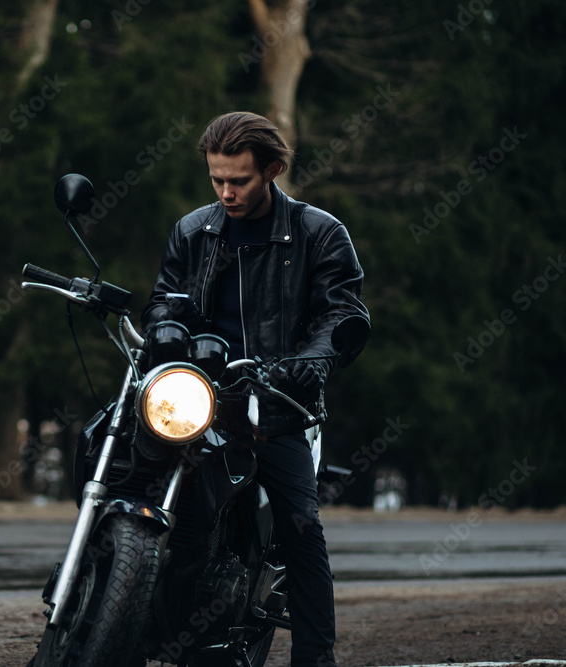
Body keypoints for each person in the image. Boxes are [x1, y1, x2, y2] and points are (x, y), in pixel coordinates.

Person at [142, 111, 370, 667]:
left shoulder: (319, 232)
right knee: (126, 456)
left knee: (301, 528)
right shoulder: (193, 231)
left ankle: (315, 657)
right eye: (217, 178)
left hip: (278, 406)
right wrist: (162, 327)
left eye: (238, 180)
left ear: (271, 170)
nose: (225, 192)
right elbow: (165, 300)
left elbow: (341, 314)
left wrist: (310, 363)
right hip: (199, 400)